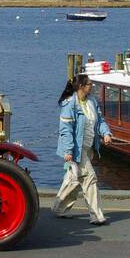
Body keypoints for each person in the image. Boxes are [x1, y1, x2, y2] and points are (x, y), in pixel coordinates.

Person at [53, 73, 113, 225]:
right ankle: (96, 215)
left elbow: (99, 121)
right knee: (89, 178)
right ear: (81, 87)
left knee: (74, 179)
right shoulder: (69, 104)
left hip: (88, 148)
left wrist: (105, 133)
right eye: (90, 84)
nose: (92, 86)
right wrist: (68, 151)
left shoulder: (92, 101)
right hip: (75, 150)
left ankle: (59, 208)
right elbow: (66, 130)